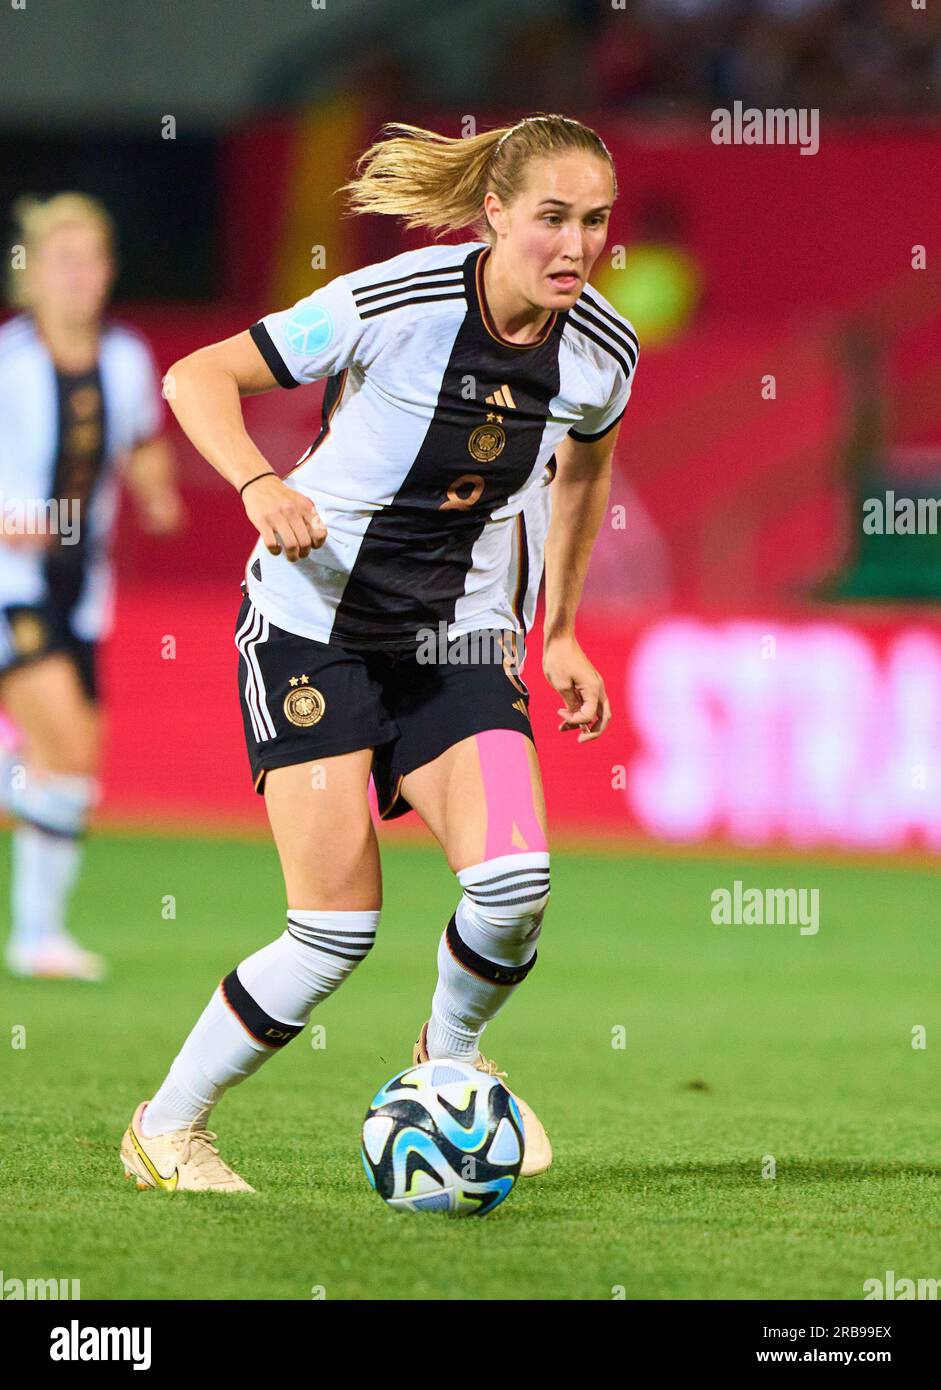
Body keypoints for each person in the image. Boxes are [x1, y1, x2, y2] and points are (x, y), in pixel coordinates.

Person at [120, 114, 639, 1194]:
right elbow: (194, 378)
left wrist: (561, 631)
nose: (575, 245)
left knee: (513, 881)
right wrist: (263, 488)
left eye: (592, 221)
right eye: (550, 217)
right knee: (332, 929)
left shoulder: (601, 354)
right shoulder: (392, 302)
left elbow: (582, 478)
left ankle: (445, 1062)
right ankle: (167, 1130)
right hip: (314, 630)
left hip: (458, 639)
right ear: (493, 212)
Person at [0, 193, 184, 981]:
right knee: (67, 743)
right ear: (30, 273)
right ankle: (36, 935)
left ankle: (38, 934)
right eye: (64, 260)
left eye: (94, 259)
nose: (81, 275)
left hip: (81, 589)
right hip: (10, 582)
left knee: (69, 762)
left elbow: (140, 441)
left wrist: (158, 491)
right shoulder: (9, 363)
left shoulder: (127, 358)